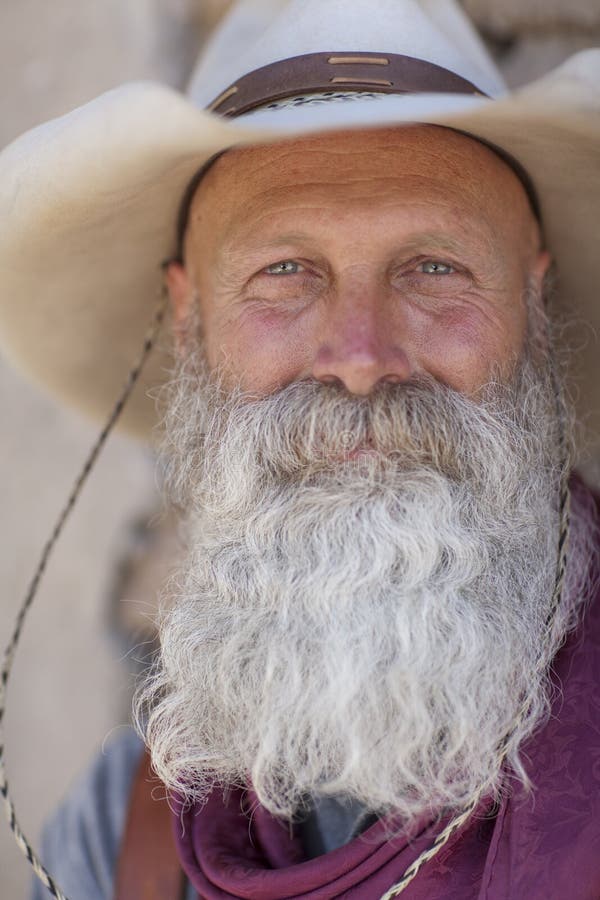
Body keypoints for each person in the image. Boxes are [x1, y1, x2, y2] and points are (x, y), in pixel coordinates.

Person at [1, 1, 599, 897]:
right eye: (285, 272)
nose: (361, 360)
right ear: (189, 317)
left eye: (434, 267)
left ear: (533, 302)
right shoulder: (118, 840)